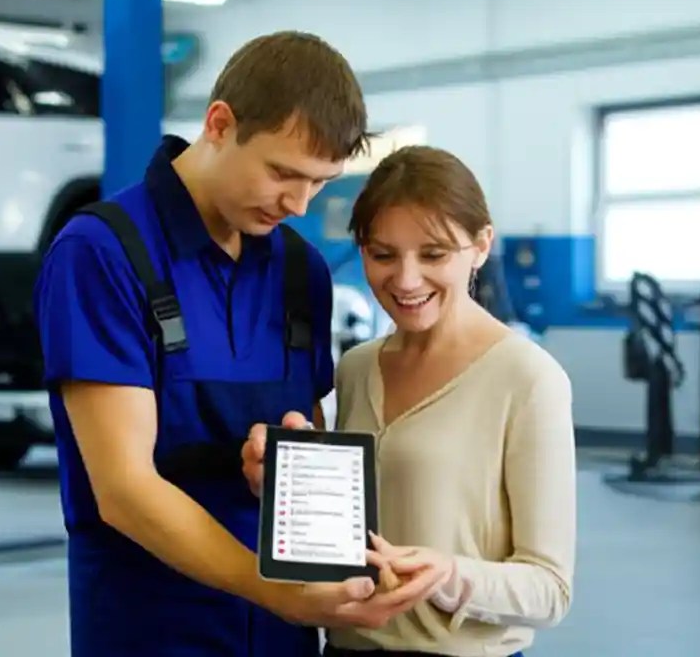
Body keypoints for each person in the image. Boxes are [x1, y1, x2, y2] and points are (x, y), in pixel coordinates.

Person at [33, 32, 450, 657]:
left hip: (283, 632)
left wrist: (280, 470)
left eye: (320, 182)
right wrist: (272, 590)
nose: (298, 203)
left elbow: (303, 438)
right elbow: (122, 489)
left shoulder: (299, 271)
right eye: (283, 172)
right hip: (150, 626)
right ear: (220, 124)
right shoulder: (100, 253)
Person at [243, 145, 577, 657]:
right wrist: (285, 487)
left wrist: (449, 575)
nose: (406, 279)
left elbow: (550, 590)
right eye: (382, 254)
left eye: (434, 254)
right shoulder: (357, 368)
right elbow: (348, 543)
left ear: (481, 245)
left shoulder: (528, 378)